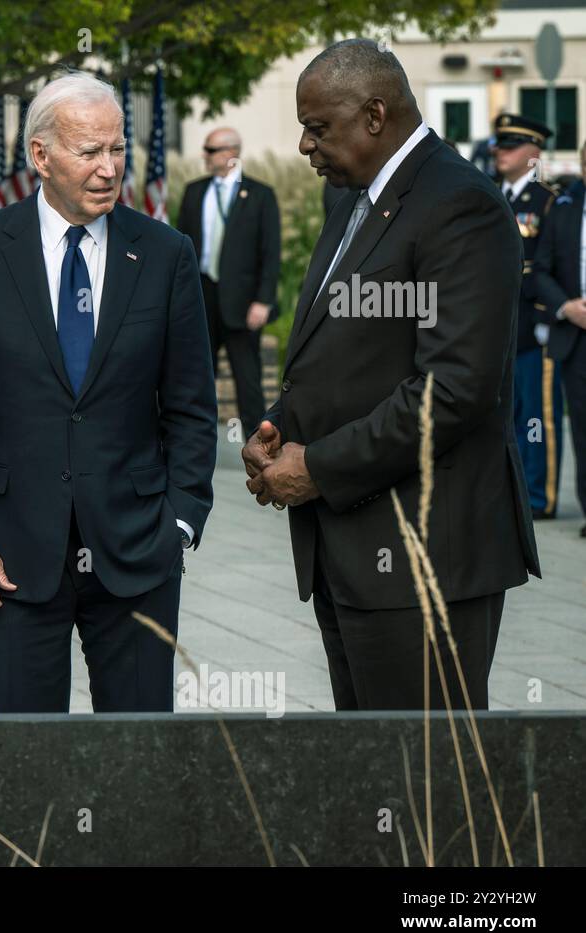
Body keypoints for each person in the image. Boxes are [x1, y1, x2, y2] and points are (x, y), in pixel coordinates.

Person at [243, 39, 539, 711]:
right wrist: (279, 425)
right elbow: (345, 348)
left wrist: (318, 466)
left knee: (427, 787)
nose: (303, 148)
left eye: (319, 128)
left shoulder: (461, 205)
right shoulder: (350, 198)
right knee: (371, 778)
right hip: (347, 556)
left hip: (423, 558)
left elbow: (455, 389)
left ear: (374, 115)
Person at [0, 73, 218, 713]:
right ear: (40, 155)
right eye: (90, 152)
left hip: (139, 553)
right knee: (29, 760)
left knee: (138, 753)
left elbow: (193, 408)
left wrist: (182, 522)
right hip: (11, 557)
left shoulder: (165, 255)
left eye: (117, 150)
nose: (109, 168)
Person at [176, 127, 280, 436]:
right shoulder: (195, 191)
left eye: (210, 150)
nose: (204, 156)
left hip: (242, 301)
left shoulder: (260, 195)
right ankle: (191, 440)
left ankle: (258, 444)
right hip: (201, 295)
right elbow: (182, 248)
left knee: (247, 380)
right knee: (194, 375)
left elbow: (270, 252)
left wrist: (263, 300)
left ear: (230, 153)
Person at [492, 113, 563, 520]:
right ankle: (510, 489)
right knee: (504, 413)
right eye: (500, 145)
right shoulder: (489, 192)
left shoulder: (548, 201)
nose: (502, 152)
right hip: (500, 324)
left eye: (512, 146)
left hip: (532, 324)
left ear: (533, 152)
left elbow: (549, 262)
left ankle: (539, 495)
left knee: (536, 417)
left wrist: (543, 316)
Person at [532, 139, 586, 540]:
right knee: (582, 427)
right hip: (576, 333)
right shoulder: (564, 208)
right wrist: (567, 307)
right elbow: (541, 269)